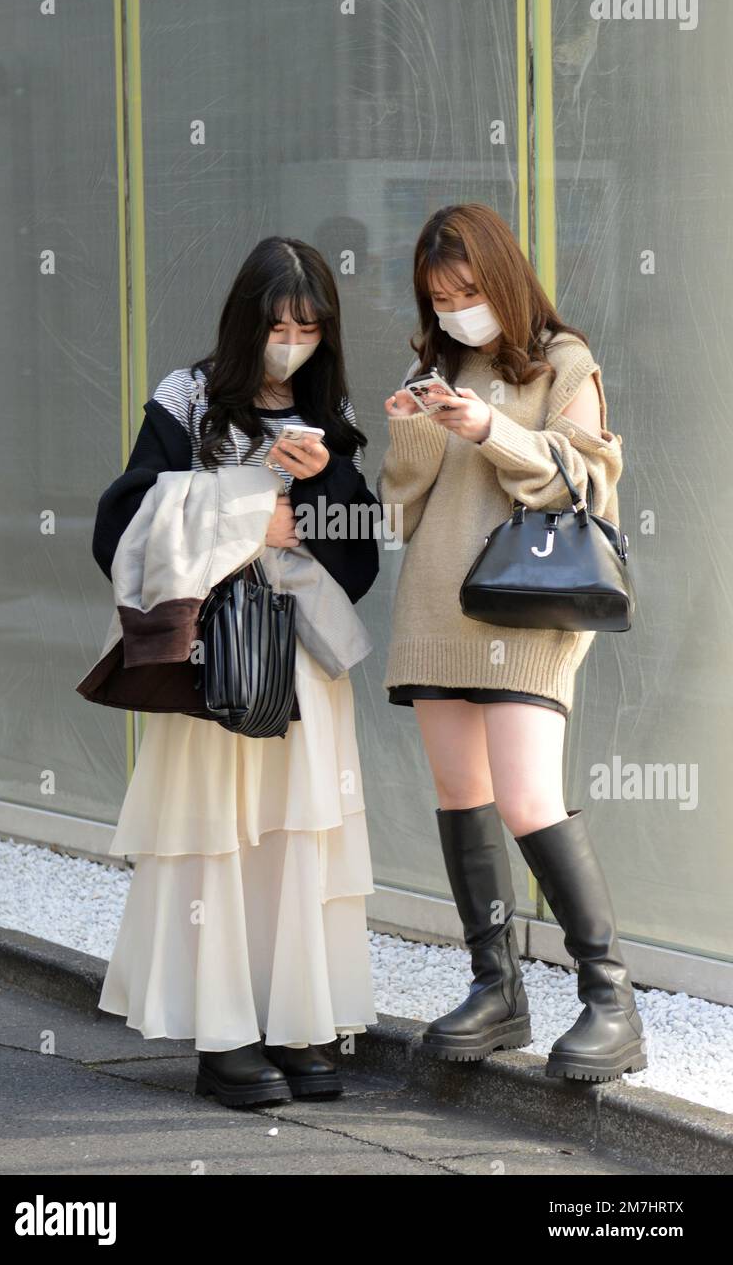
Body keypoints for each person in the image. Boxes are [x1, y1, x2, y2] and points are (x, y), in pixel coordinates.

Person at [92, 236, 381, 1108]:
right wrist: (249, 514)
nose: (290, 340)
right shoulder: (187, 399)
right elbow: (121, 527)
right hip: (217, 659)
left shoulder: (329, 409)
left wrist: (326, 485)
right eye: (276, 323)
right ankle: (225, 1037)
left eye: (308, 324)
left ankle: (300, 1023)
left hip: (303, 660)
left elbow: (362, 562)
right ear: (244, 321)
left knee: (298, 838)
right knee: (219, 838)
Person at [377, 203, 647, 1083]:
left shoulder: (565, 364)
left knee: (529, 798)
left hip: (531, 609)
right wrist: (415, 428)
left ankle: (610, 999)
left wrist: (489, 426)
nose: (456, 307)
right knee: (464, 798)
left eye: (467, 289)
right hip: (438, 609)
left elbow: (583, 484)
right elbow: (398, 511)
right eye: (439, 294)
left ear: (503, 278)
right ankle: (496, 990)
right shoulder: (437, 366)